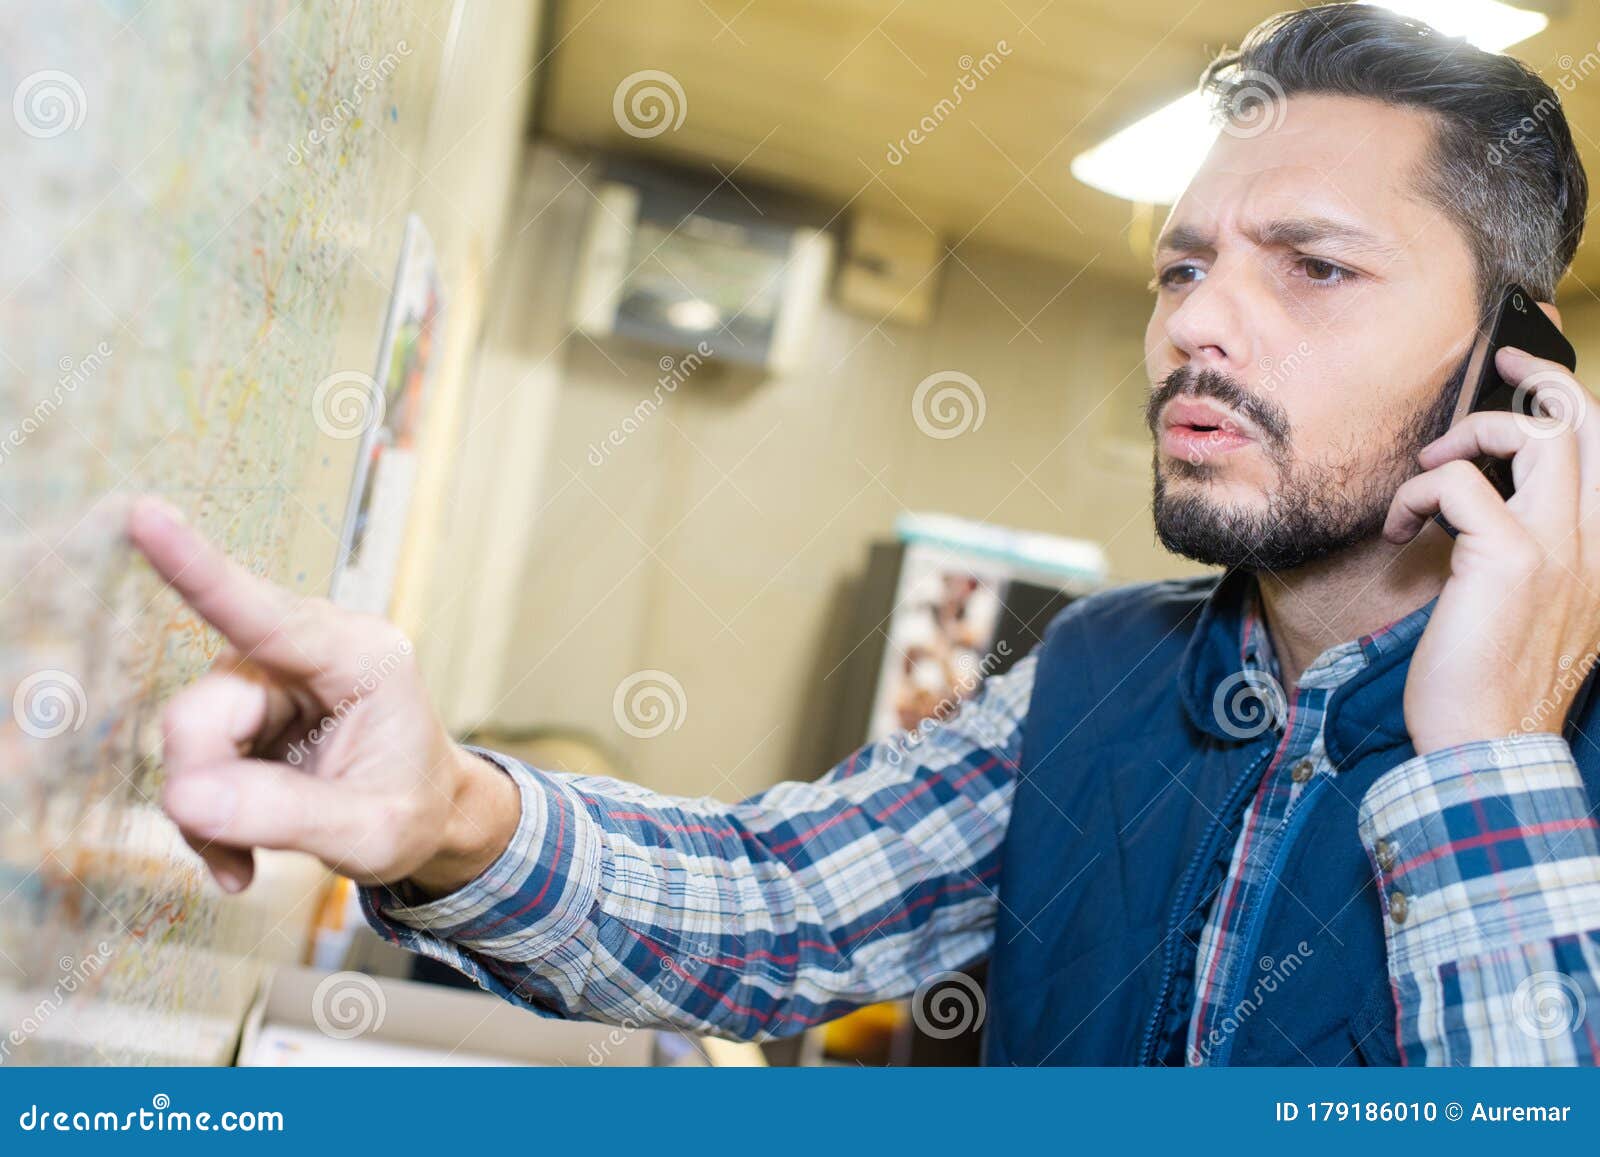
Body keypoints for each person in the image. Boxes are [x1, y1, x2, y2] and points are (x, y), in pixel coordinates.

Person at [127, 5, 1600, 1065]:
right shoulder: (1105, 670)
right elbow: (780, 907)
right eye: (1183, 265)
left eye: (1317, 268)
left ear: (1512, 366)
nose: (1197, 321)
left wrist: (1491, 761)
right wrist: (447, 806)